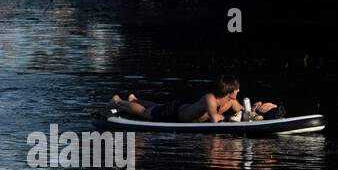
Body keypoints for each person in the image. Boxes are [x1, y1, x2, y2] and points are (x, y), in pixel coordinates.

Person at [109, 75, 279, 123]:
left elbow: (245, 114)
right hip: (176, 113)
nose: (239, 90)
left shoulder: (232, 101)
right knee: (148, 113)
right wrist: (231, 118)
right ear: (229, 90)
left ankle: (135, 98)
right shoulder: (210, 99)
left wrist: (257, 108)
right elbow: (214, 120)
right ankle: (120, 102)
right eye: (236, 89)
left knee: (157, 105)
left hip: (184, 107)